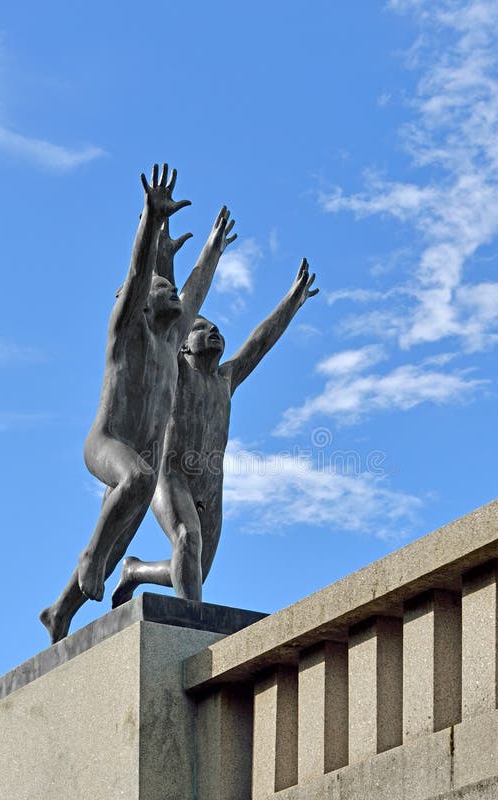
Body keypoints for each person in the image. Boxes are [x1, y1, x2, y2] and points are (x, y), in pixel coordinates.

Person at [40, 164, 236, 642]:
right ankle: (90, 557)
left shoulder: (172, 345)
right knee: (139, 480)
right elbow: (137, 272)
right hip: (107, 442)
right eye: (165, 289)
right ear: (143, 303)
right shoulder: (127, 330)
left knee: (123, 530)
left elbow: (198, 286)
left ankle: (60, 610)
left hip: (140, 456)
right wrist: (151, 217)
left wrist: (212, 248)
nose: (176, 293)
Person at [111, 258, 318, 606]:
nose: (214, 332)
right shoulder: (175, 370)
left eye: (217, 329)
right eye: (202, 328)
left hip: (211, 485)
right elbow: (174, 305)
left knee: (195, 569)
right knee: (186, 538)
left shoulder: (225, 380)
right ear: (183, 345)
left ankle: (134, 571)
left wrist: (293, 301)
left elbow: (260, 342)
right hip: (171, 474)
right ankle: (192, 633)